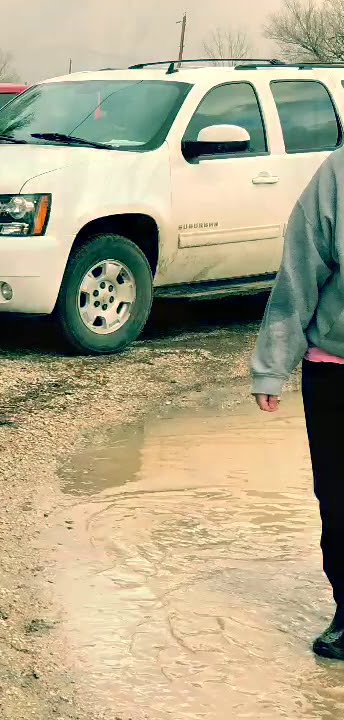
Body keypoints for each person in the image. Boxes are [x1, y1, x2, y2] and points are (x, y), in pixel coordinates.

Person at [252, 151, 344, 660]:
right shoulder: (337, 176)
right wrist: (273, 363)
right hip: (336, 368)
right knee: (338, 499)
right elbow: (298, 275)